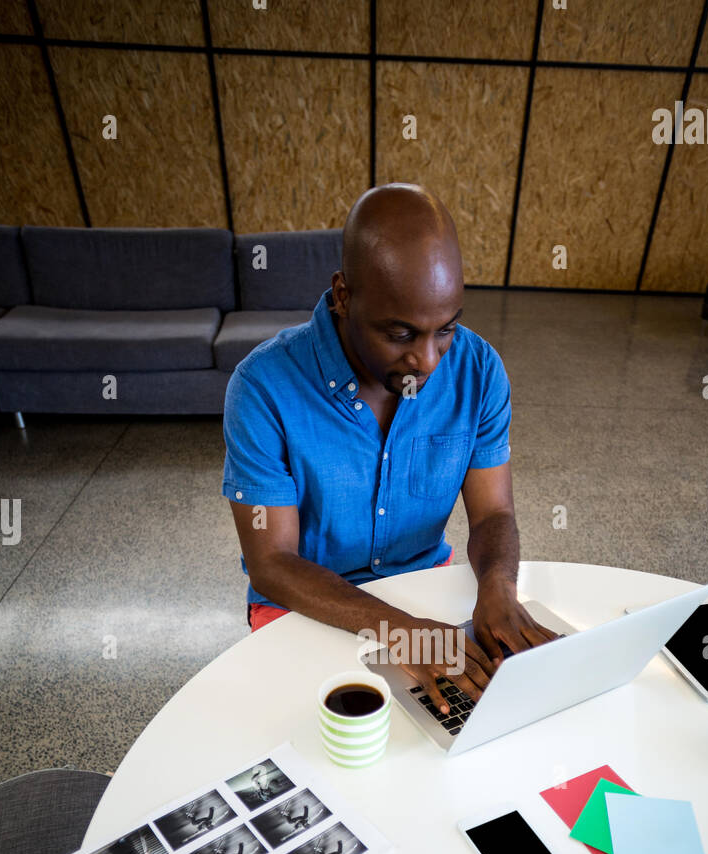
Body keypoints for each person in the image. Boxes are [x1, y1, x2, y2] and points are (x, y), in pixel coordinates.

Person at [223, 182, 557, 717]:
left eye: (445, 330)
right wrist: (402, 633)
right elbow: (272, 564)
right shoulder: (262, 387)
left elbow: (494, 511)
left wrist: (497, 585)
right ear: (343, 295)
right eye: (401, 334)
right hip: (306, 606)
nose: (427, 360)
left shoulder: (478, 369)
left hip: (423, 587)